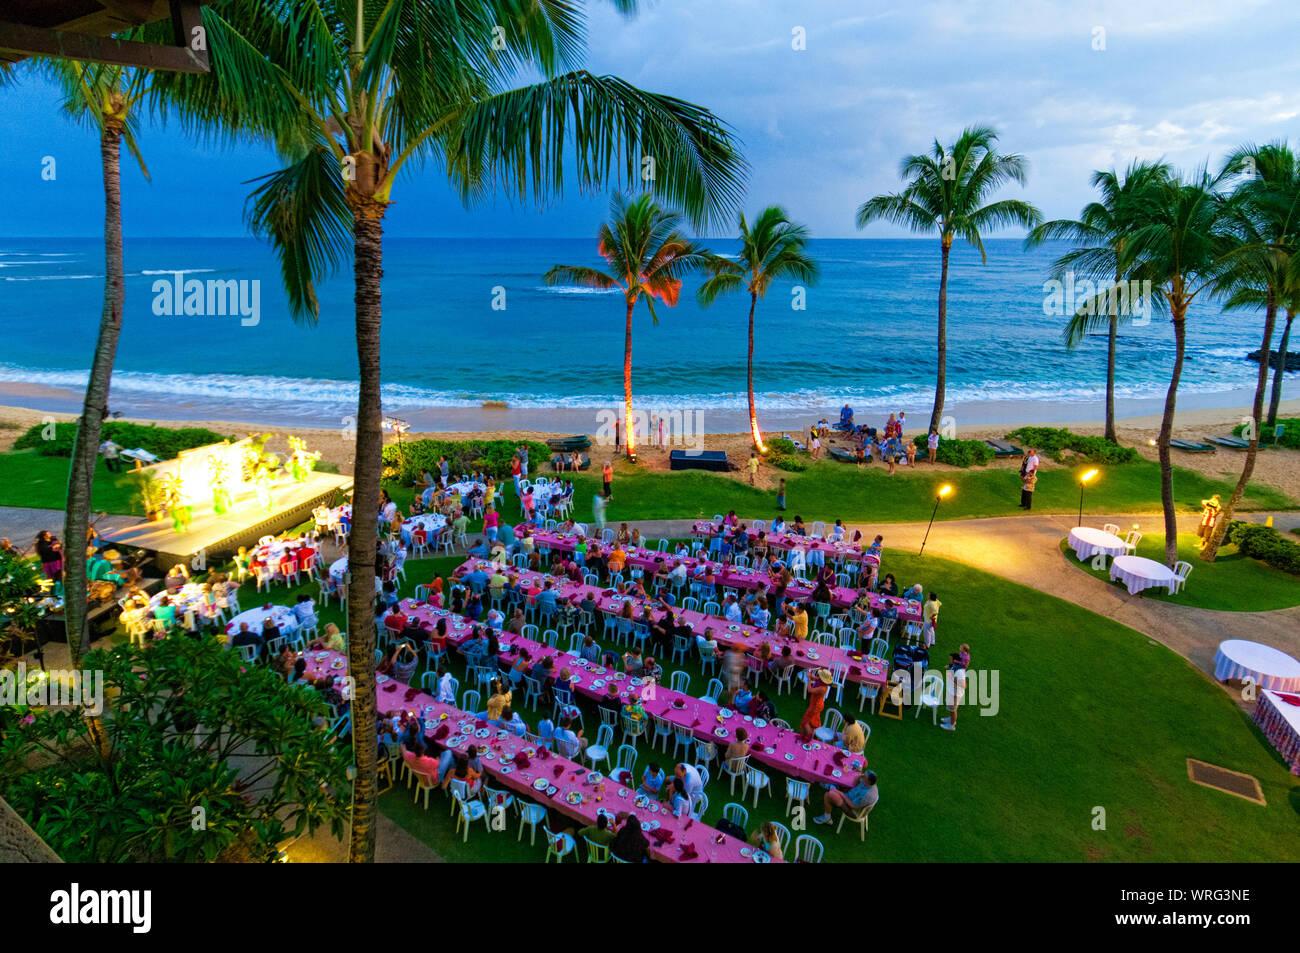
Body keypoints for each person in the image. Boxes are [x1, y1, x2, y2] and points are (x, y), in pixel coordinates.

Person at [812, 769, 879, 826]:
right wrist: (860, 776)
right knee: (837, 784)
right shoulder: (867, 782)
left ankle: (827, 818)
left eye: (864, 776)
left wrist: (841, 794)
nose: (863, 776)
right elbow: (855, 784)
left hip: (853, 811)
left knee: (829, 795)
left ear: (869, 781)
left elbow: (853, 806)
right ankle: (831, 789)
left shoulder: (867, 795)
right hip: (849, 796)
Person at [800, 668, 830, 741]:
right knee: (813, 720)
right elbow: (815, 678)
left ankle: (810, 737)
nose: (819, 677)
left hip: (816, 706)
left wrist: (809, 679)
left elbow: (810, 690)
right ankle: (815, 735)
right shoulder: (821, 681)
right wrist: (810, 674)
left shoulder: (822, 688)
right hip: (816, 704)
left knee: (805, 721)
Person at [942, 650, 968, 731]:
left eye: (951, 659)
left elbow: (964, 685)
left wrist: (952, 677)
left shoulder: (960, 671)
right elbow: (951, 667)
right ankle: (951, 719)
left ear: (955, 660)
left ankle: (952, 725)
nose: (950, 660)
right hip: (951, 692)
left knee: (953, 710)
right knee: (951, 709)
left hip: (955, 694)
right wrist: (949, 667)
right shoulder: (955, 666)